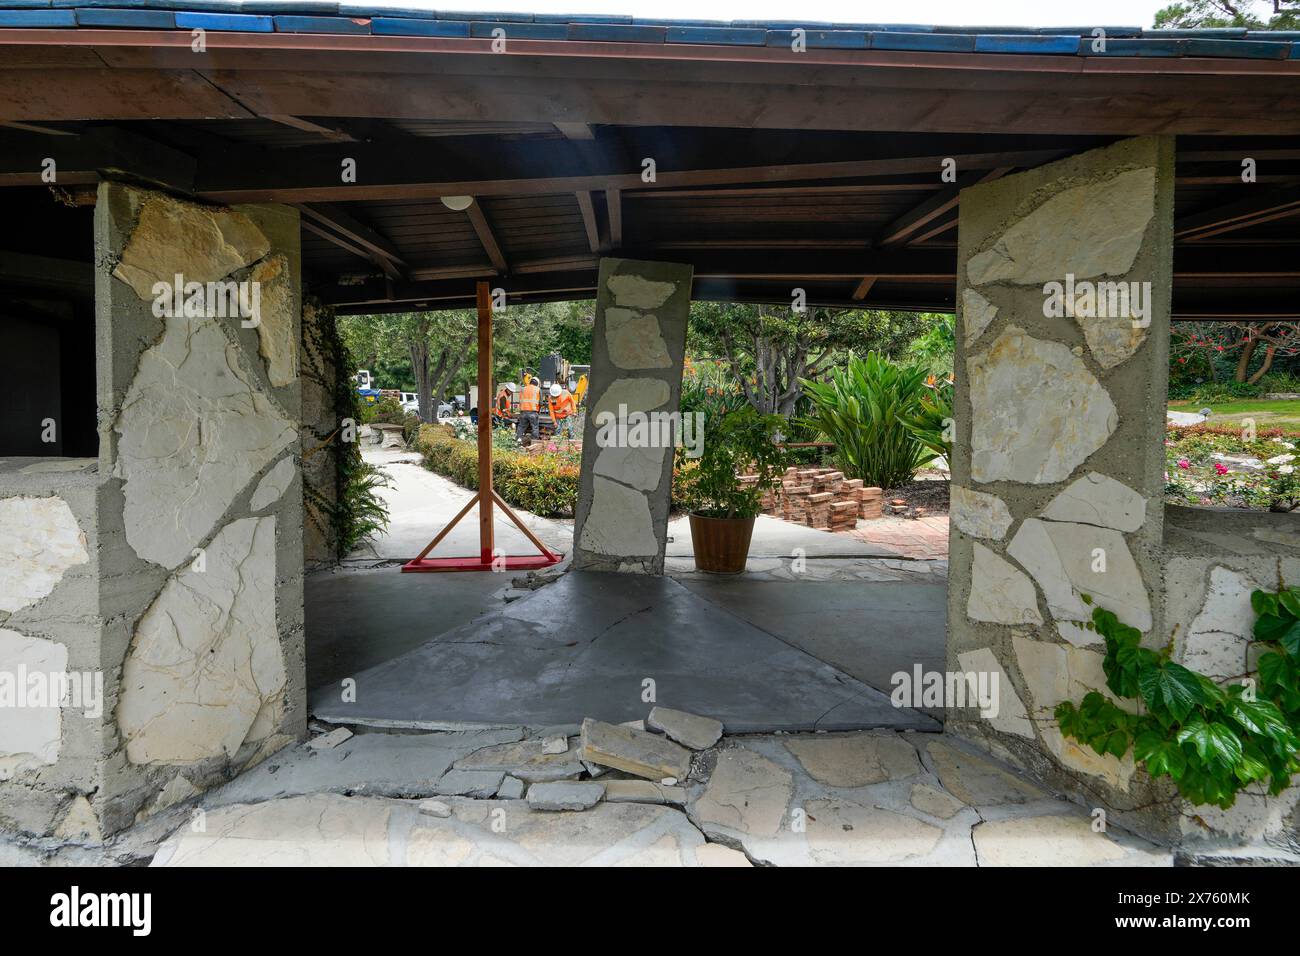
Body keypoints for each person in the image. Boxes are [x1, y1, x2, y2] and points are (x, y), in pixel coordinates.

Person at [517, 377, 541, 441]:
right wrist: (538, 411)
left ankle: (518, 440)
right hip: (533, 412)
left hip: (523, 412)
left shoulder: (523, 389)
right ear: (537, 383)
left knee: (521, 427)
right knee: (535, 427)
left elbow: (520, 400)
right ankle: (534, 441)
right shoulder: (538, 389)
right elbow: (540, 402)